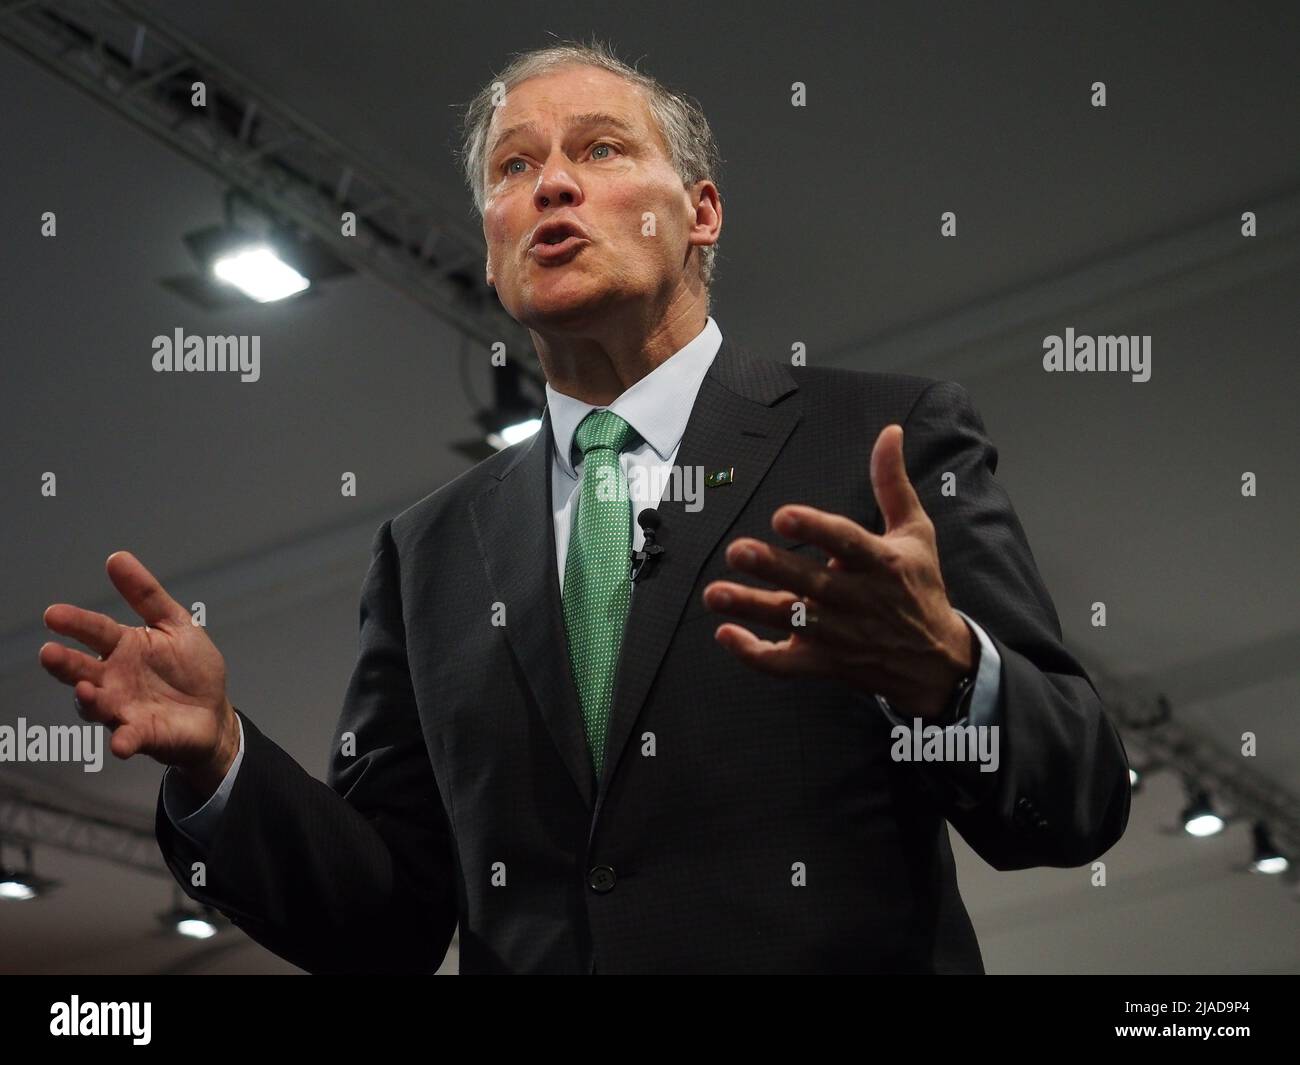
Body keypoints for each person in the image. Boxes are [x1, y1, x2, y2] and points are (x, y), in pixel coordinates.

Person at [38, 39, 1130, 973]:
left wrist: (949, 672)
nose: (550, 184)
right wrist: (223, 760)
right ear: (492, 246)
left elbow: (1078, 800)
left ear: (699, 212)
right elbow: (388, 923)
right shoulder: (427, 553)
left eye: (600, 149)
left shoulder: (878, 441)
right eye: (514, 168)